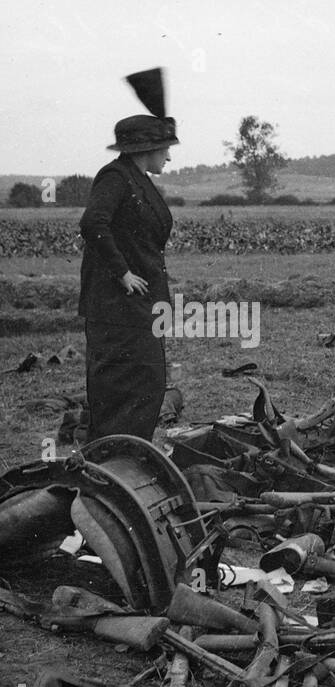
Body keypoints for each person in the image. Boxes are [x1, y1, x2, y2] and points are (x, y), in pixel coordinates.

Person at [78, 70, 178, 441]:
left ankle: (128, 452)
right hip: (117, 306)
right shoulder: (116, 177)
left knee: (147, 381)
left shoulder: (138, 180)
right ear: (145, 150)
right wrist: (122, 273)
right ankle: (113, 457)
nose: (168, 155)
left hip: (138, 304)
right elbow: (93, 223)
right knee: (124, 385)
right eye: (165, 148)